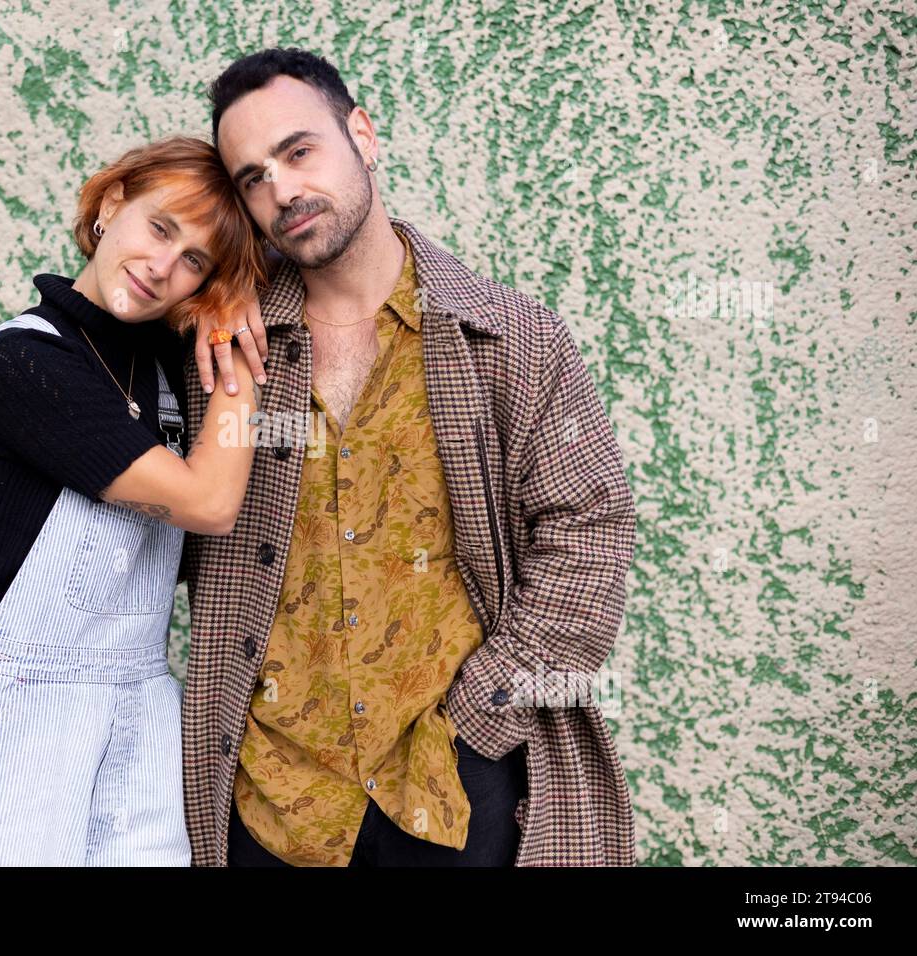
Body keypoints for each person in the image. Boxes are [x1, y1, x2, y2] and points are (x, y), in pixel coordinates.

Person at [178, 48, 639, 866]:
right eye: (252, 177)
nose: (281, 190)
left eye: (298, 151)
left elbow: (590, 534)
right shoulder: (225, 351)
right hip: (271, 802)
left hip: (456, 788)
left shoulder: (511, 339)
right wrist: (217, 287)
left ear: (362, 133)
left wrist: (479, 721)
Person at [0, 135, 270, 866]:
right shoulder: (26, 363)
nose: (161, 268)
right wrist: (239, 353)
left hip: (139, 710)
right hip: (6, 716)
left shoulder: (166, 374)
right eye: (159, 227)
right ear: (112, 203)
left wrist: (227, 309)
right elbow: (209, 502)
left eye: (195, 263)